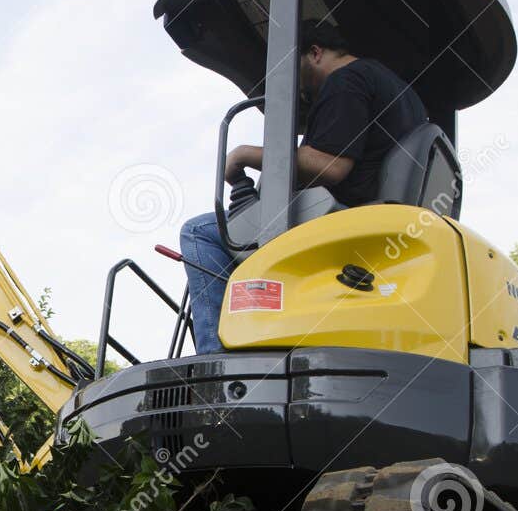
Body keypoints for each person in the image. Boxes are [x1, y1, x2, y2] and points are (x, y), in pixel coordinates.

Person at [179, 19, 427, 353]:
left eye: (297, 72)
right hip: (372, 213)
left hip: (342, 215)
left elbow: (331, 165)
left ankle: (215, 358)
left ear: (314, 52)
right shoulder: (396, 90)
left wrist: (242, 155)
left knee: (201, 232)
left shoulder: (346, 81)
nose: (302, 90)